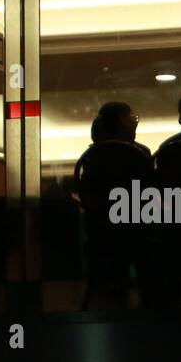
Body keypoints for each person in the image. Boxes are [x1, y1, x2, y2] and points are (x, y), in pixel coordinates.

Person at [73, 102, 154, 306]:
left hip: (99, 226)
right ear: (120, 122)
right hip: (135, 225)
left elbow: (88, 193)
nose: (135, 124)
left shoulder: (92, 156)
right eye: (131, 119)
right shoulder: (139, 152)